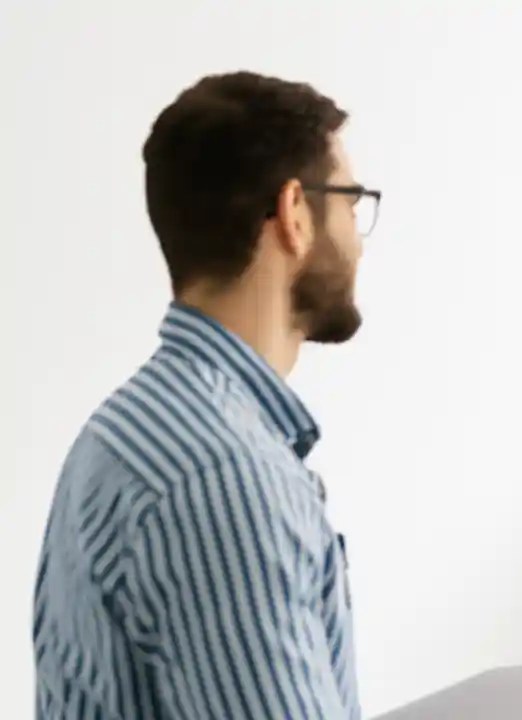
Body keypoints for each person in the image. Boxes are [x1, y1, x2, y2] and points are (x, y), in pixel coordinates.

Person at [32, 71, 380, 719]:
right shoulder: (225, 476)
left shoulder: (125, 430)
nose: (359, 241)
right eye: (352, 205)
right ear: (294, 214)